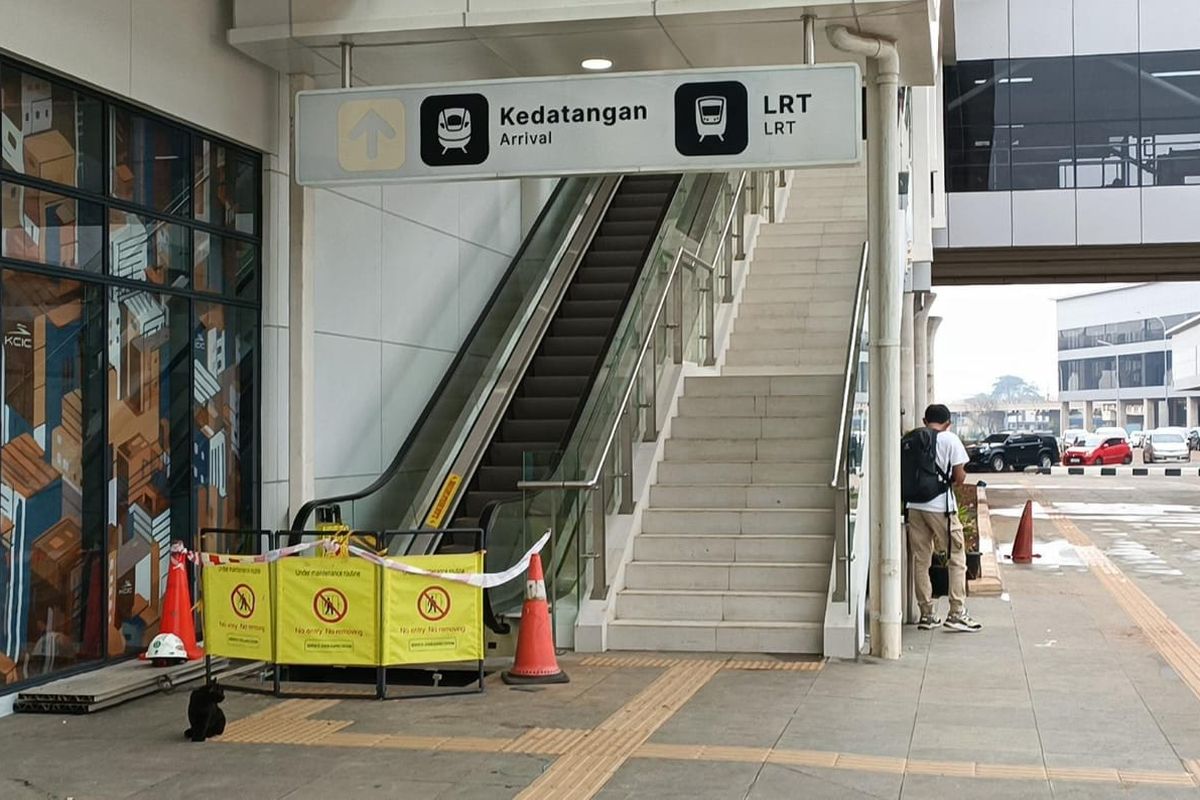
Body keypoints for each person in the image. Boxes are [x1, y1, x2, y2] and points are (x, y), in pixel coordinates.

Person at [906, 403, 982, 632]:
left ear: (924, 421)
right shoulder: (950, 439)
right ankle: (957, 612)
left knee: (921, 560)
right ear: (948, 423)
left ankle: (927, 614)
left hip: (914, 506)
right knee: (956, 556)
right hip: (941, 507)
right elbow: (959, 477)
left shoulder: (912, 439)